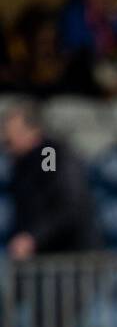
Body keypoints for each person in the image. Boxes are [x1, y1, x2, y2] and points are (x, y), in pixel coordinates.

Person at [3, 99, 100, 258]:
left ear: (33, 130)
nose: (7, 140)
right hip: (44, 255)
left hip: (67, 256)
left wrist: (33, 237)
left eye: (13, 132)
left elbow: (65, 206)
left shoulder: (49, 156)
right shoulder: (20, 164)